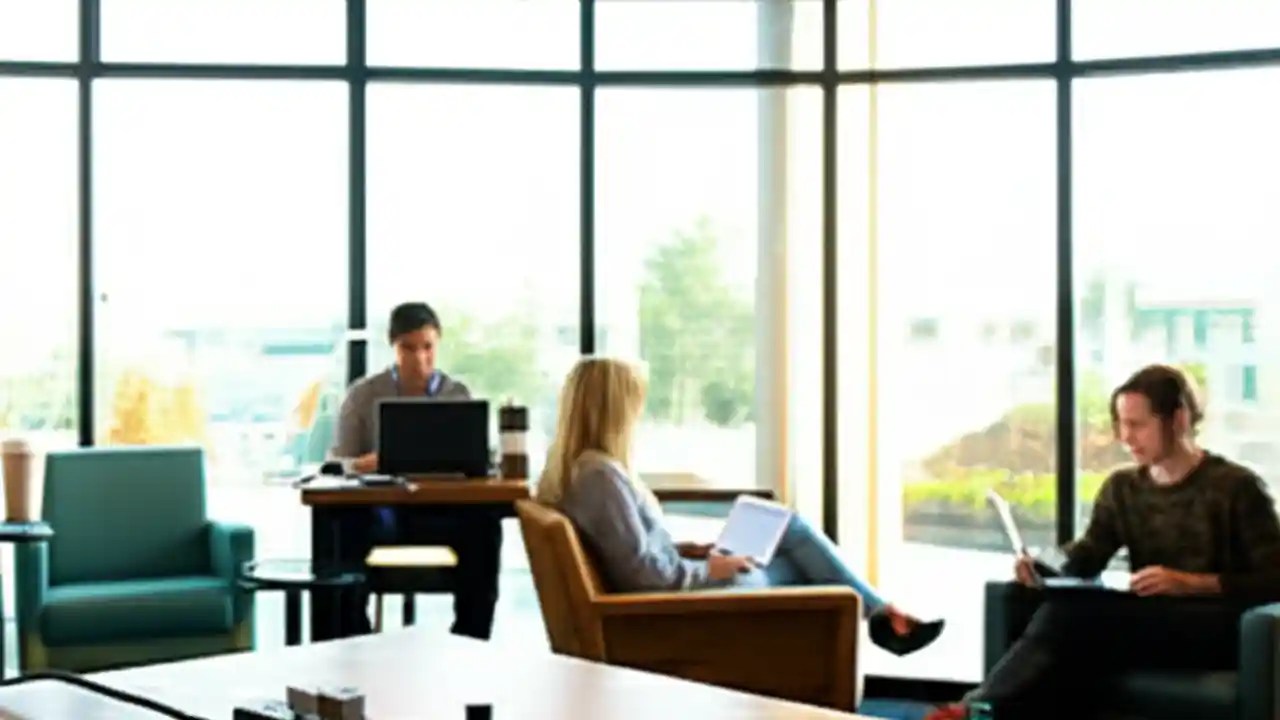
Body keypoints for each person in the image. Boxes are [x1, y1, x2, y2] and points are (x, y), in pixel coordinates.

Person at [927, 364, 1280, 720]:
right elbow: (1088, 555)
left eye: (1137, 425)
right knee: (1048, 611)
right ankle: (984, 711)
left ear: (1179, 419)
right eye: (1121, 424)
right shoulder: (1123, 488)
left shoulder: (1236, 488)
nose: (1125, 437)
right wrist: (1042, 566)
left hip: (1216, 626)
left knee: (1069, 622)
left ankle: (975, 710)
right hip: (1151, 617)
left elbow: (1273, 579)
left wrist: (1190, 583)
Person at [534, 356, 945, 656]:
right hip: (677, 606)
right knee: (801, 565)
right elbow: (644, 576)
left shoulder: (581, 471)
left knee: (789, 531)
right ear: (615, 412)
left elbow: (630, 552)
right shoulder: (601, 477)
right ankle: (882, 616)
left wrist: (687, 551)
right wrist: (713, 569)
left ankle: (883, 614)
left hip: (678, 589)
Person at [329, 301, 502, 640]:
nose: (419, 358)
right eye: (408, 348)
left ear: (438, 344)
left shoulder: (457, 394)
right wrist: (362, 464)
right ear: (393, 346)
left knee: (485, 527)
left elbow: (483, 460)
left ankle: (470, 638)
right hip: (382, 515)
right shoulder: (362, 395)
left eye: (427, 347)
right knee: (343, 528)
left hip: (441, 515)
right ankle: (353, 638)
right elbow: (337, 463)